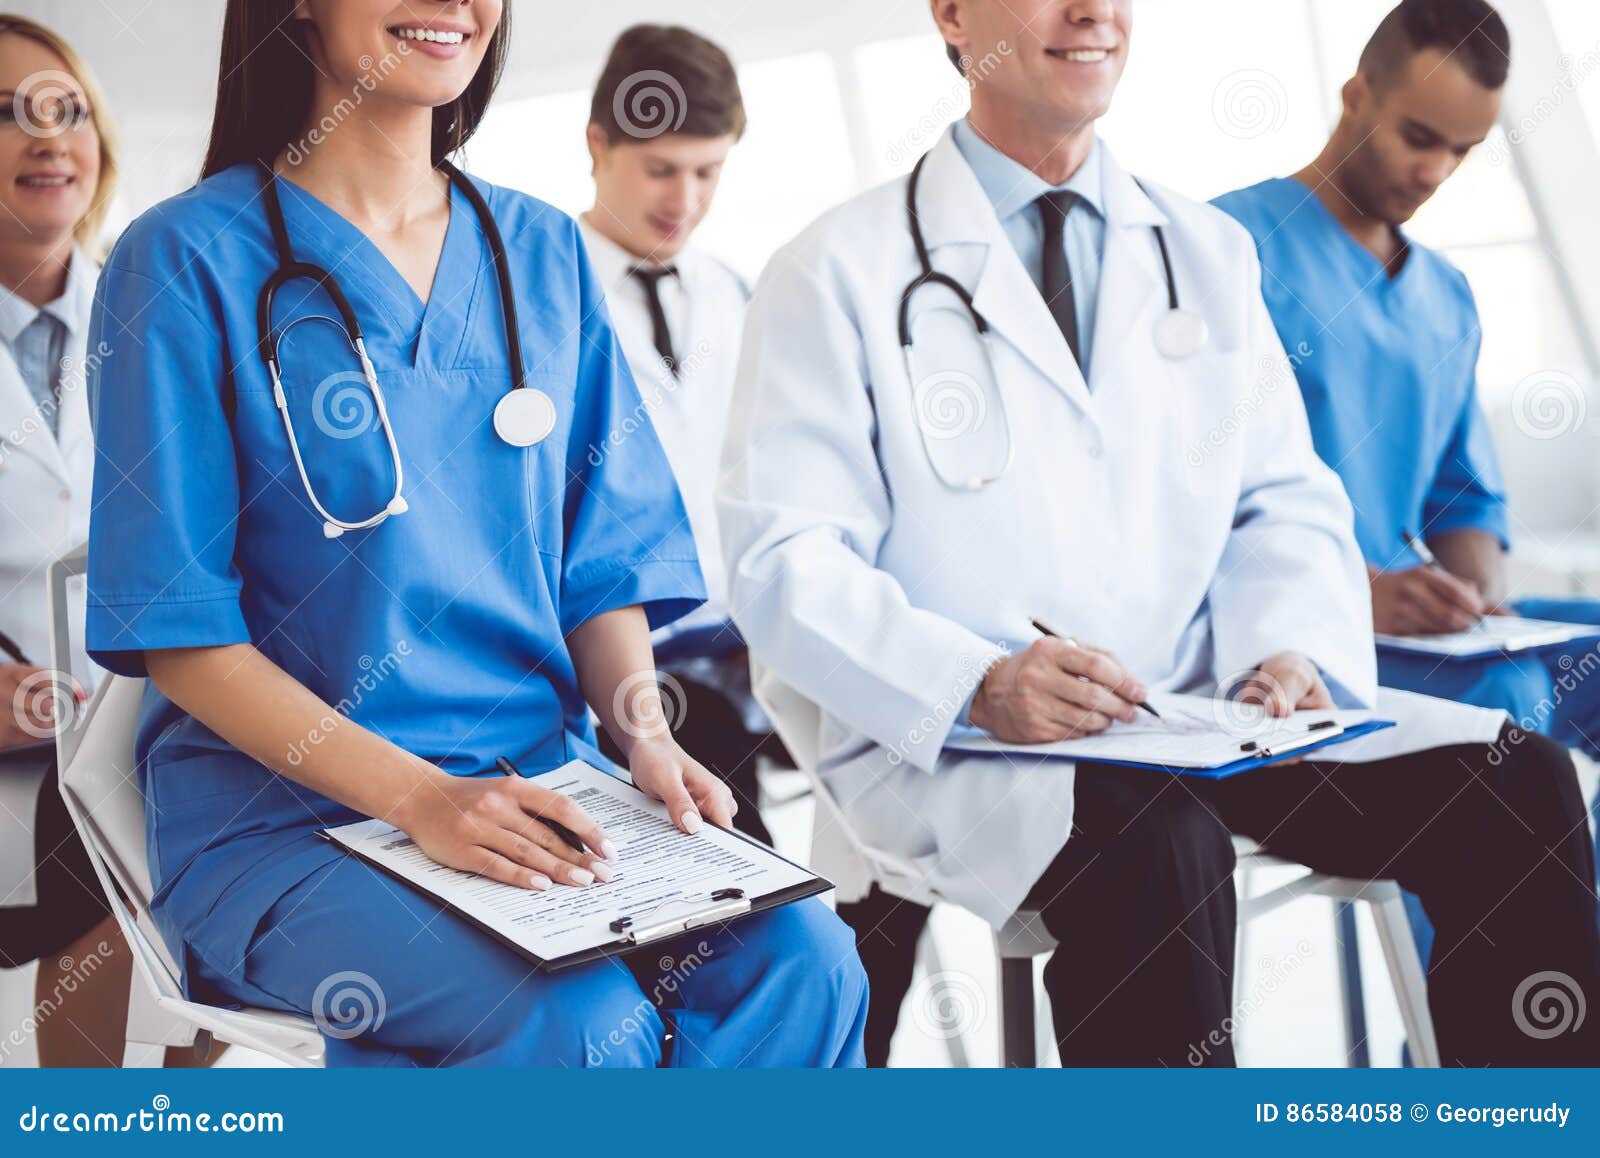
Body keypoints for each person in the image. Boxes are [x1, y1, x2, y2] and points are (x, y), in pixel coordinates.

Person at [718, 0, 1600, 1066]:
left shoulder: (1202, 250)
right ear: (953, 14)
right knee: (1155, 848)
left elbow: (1279, 493)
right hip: (962, 740)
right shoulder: (833, 267)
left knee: (1515, 777)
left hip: (1196, 708)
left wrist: (1287, 649)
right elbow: (784, 563)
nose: (1092, 13)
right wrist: (980, 681)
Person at [84, 0, 865, 1069]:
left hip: (547, 792)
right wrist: (422, 799)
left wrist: (643, 735)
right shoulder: (181, 260)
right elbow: (182, 633)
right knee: (579, 1029)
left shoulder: (538, 249)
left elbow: (602, 563)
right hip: (294, 825)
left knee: (810, 962)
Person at [1212, 0, 1600, 968]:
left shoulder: (1446, 296)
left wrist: (1478, 596)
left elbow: (1464, 497)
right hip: (1303, 641)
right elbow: (1185, 496)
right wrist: (1362, 592)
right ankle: (1488, 1041)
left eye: (1460, 153)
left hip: (1424, 627)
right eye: (1417, 137)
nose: (1431, 174)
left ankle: (1576, 976)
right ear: (1355, 96)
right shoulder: (1225, 250)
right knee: (1508, 700)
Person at [0, 14, 210, 1070]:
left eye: (65, 110)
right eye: (5, 114)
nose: (46, 139)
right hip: (20, 782)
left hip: (176, 748)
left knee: (197, 1032)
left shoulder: (168, 302)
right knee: (60, 1066)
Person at [578, 25, 778, 847]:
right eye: (661, 169)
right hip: (626, 670)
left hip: (752, 655)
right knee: (737, 848)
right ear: (598, 145)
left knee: (890, 822)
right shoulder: (547, 295)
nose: (685, 200)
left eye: (709, 172)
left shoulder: (738, 293)